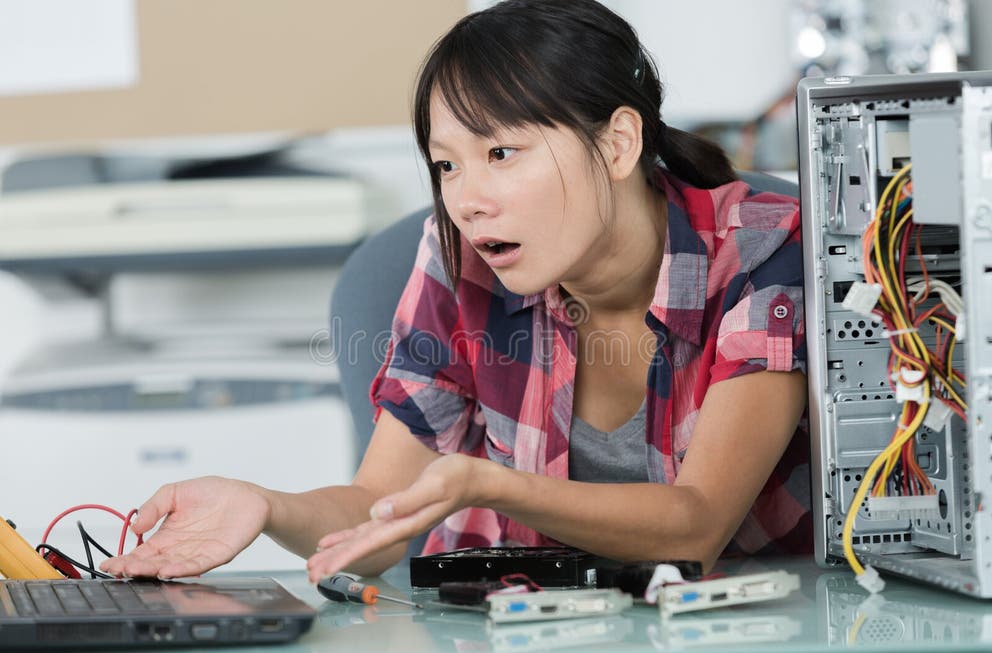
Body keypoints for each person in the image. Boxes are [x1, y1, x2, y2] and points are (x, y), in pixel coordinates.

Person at [101, 0, 811, 583]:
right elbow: (377, 512)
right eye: (446, 165)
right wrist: (265, 505)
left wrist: (488, 483)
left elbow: (699, 523)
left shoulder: (761, 252)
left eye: (501, 153)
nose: (467, 200)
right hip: (525, 630)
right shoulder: (458, 261)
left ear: (619, 144)